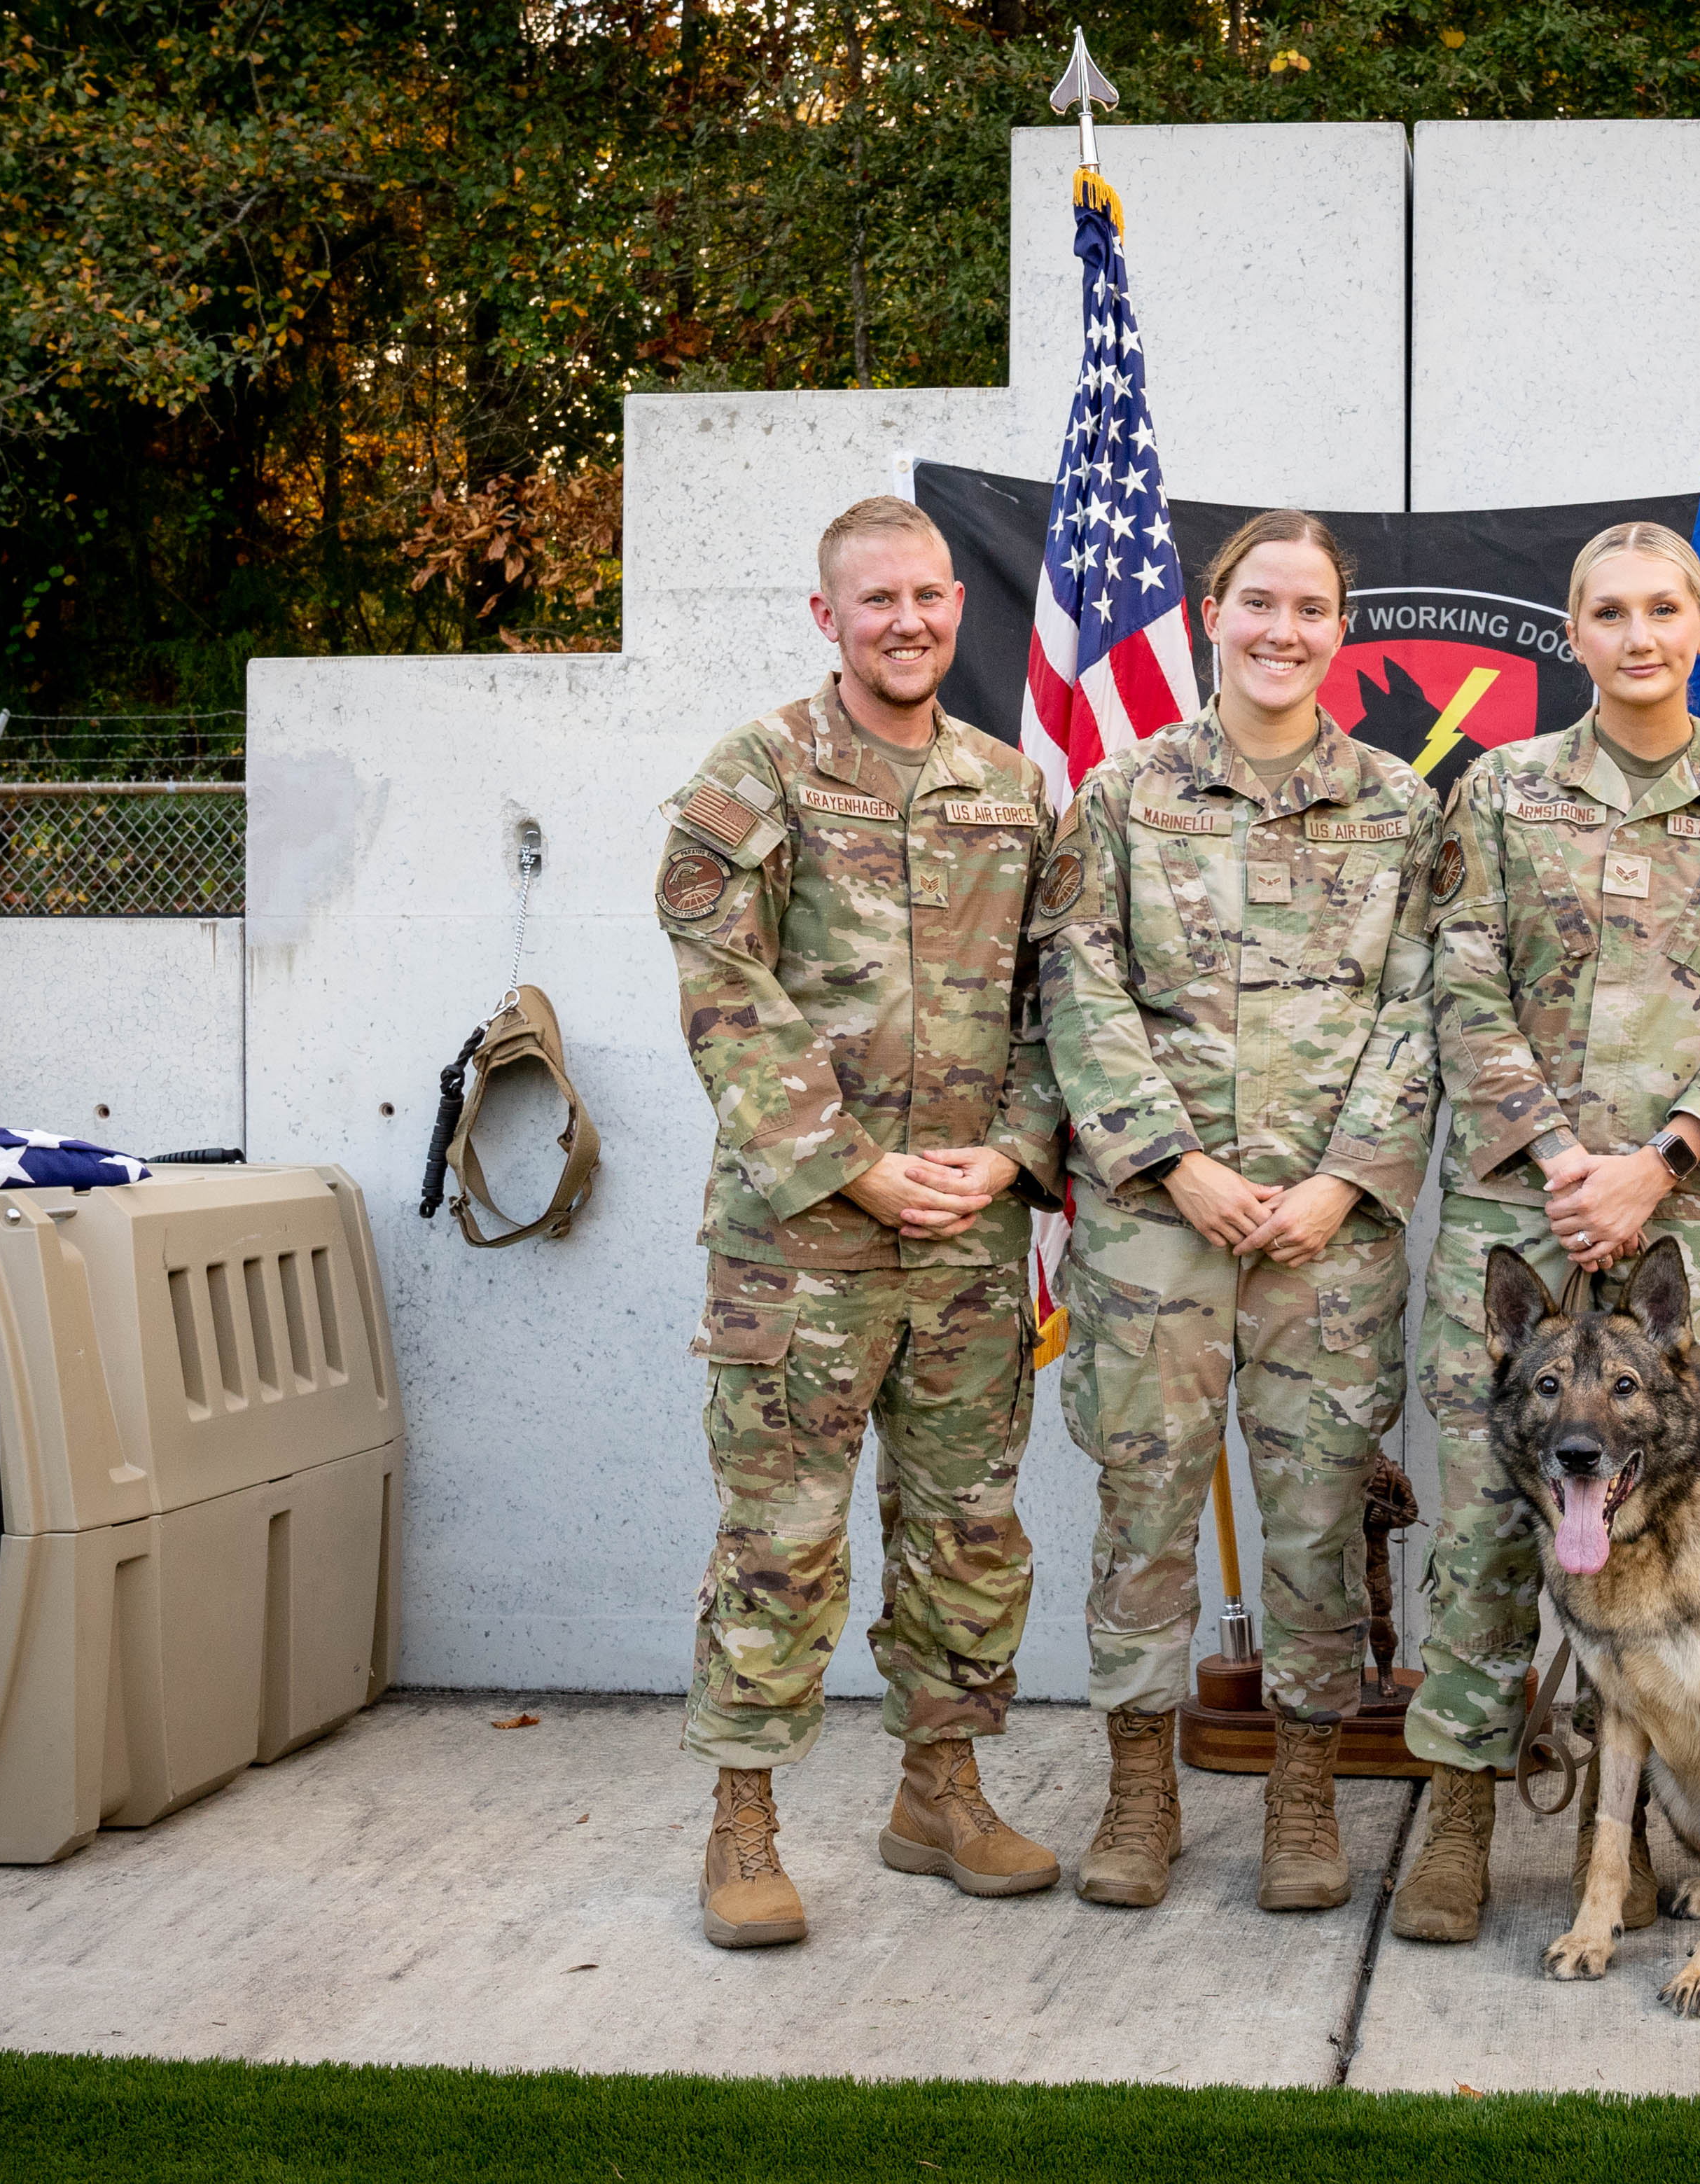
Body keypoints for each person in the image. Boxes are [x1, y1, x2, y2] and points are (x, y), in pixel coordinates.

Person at [1390, 520, 1700, 1946]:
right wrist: (1565, 1152)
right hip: (1520, 1209)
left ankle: (1638, 1834)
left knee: (1674, 1538)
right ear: (1572, 636)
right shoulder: (1500, 792)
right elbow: (1457, 985)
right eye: (1608, 613)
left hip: (1684, 1231)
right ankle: (1460, 1815)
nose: (1638, 636)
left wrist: (1658, 1163)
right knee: (1488, 1529)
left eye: (1663, 610)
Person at [655, 494, 1068, 1948]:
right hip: (801, 1243)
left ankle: (938, 1791)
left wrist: (1015, 1154)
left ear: (961, 607)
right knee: (783, 1534)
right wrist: (850, 1167)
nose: (908, 622)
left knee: (965, 1527)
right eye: (875, 600)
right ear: (827, 617)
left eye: (929, 597)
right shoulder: (755, 776)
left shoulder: (1014, 790)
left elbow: (1051, 1006)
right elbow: (723, 990)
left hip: (966, 1238)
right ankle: (744, 1822)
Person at [1031, 508, 1443, 1914]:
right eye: (1258, 602)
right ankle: (1141, 1793)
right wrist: (1176, 1166)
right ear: (1213, 613)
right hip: (1160, 1228)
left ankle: (1305, 1795)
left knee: (1319, 1519)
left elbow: (1423, 1009)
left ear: (1345, 629)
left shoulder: (1400, 806)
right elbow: (1079, 991)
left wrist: (1335, 1184)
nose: (1283, 630)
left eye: (1311, 608)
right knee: (1143, 1507)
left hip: (1332, 1236)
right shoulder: (1122, 797)